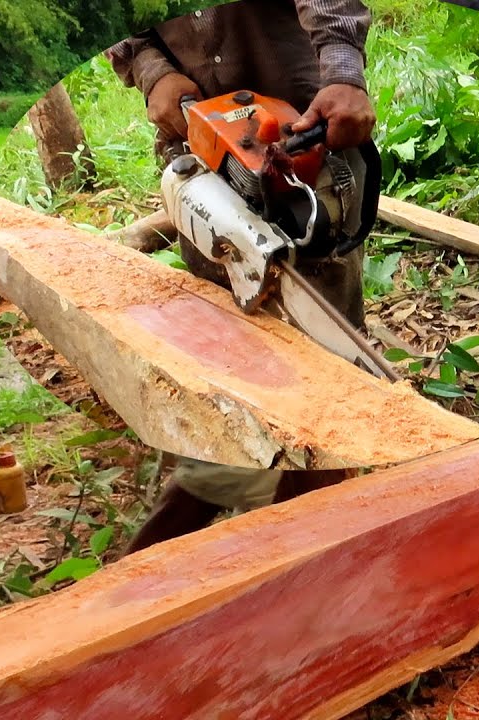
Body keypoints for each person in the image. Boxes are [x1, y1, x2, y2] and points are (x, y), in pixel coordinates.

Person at [105, 0, 376, 554]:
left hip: (301, 131)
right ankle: (207, 507)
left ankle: (313, 544)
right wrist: (151, 69)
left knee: (324, 385)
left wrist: (344, 68)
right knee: (223, 364)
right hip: (197, 145)